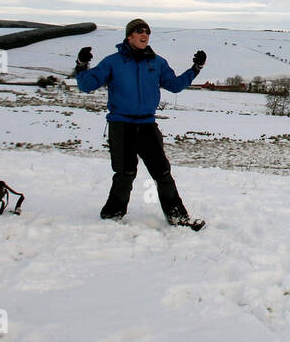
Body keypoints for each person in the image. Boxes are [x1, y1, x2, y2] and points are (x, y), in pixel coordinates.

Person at [74, 18, 207, 226]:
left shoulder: (157, 63)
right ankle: (112, 215)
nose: (144, 34)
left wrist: (195, 69)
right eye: (139, 31)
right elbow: (87, 84)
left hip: (147, 125)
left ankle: (178, 217)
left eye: (147, 31)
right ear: (129, 36)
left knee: (162, 172)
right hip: (121, 125)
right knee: (125, 173)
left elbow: (174, 85)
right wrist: (82, 66)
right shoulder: (113, 62)